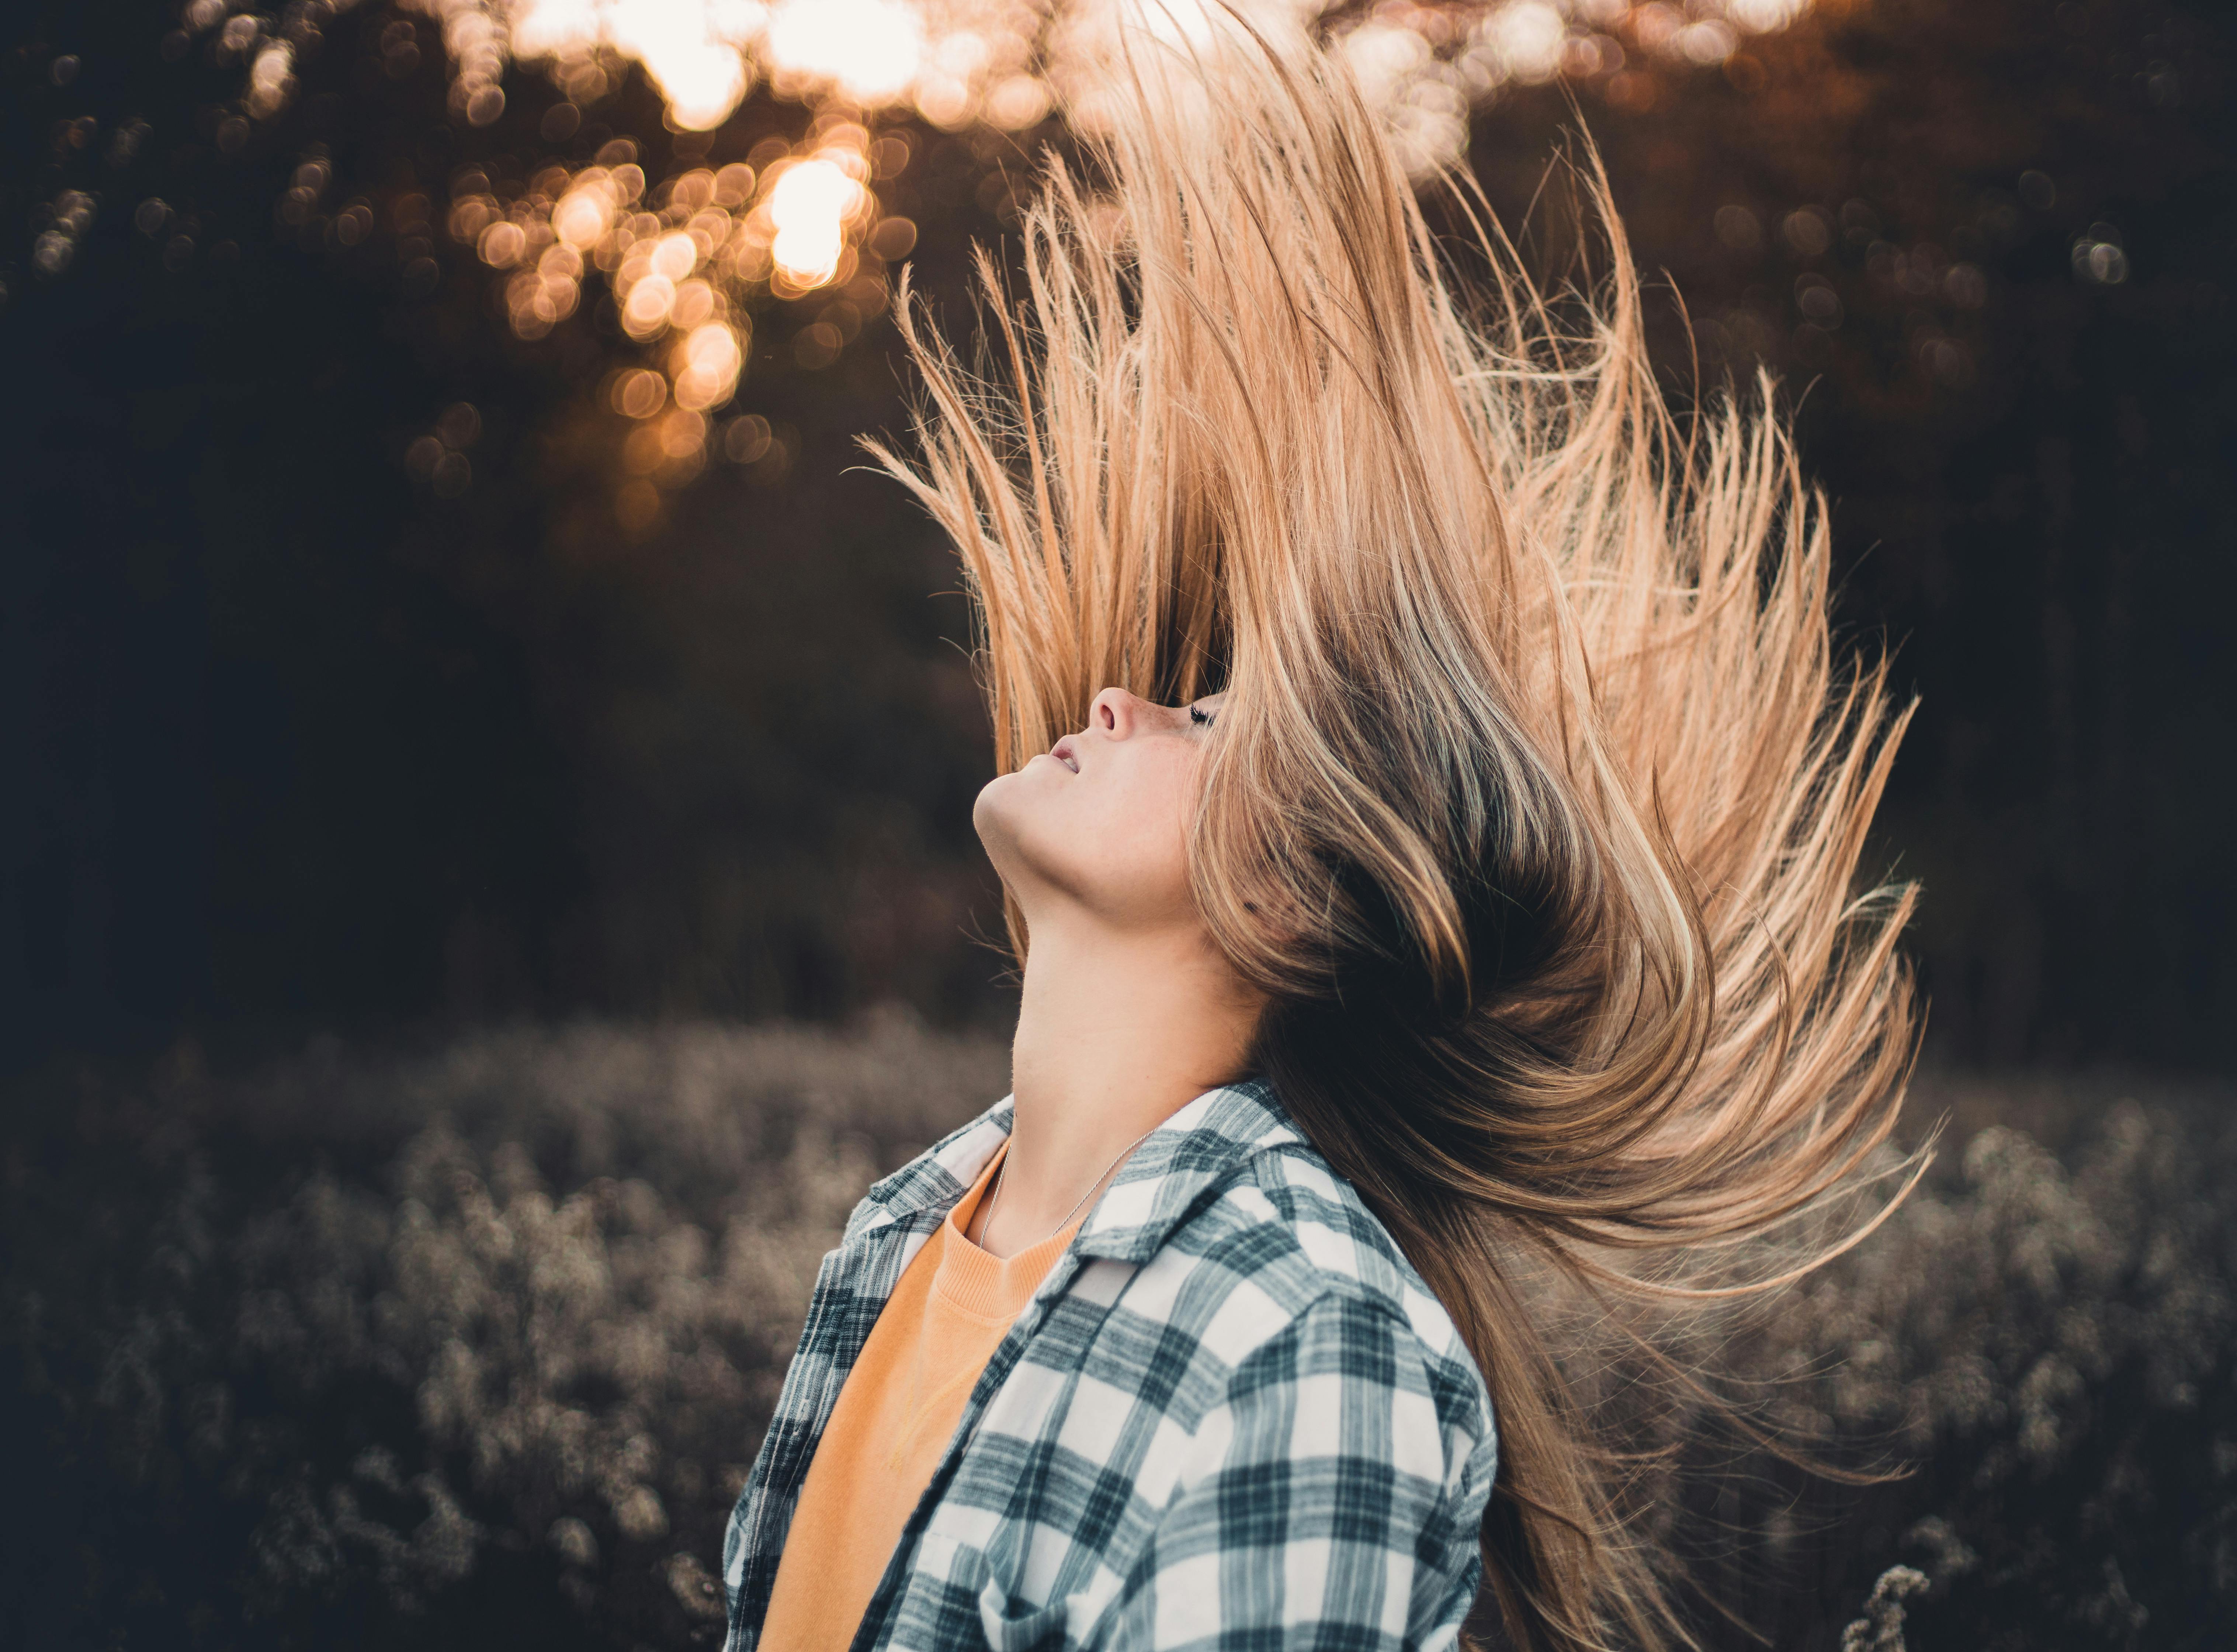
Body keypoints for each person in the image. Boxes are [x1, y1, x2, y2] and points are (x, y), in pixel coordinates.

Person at [723, 22, 1918, 1652]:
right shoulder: (897, 1236)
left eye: (1212, 725)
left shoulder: (1305, 1338)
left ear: (1288, 897)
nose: (1131, 698)